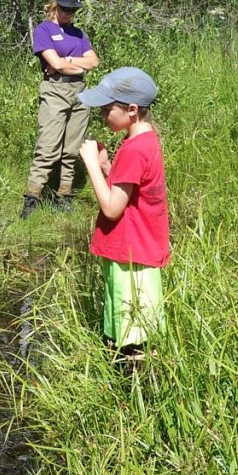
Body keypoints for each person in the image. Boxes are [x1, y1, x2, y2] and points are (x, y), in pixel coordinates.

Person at [78, 67, 169, 360]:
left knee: (129, 338)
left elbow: (112, 208)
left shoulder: (132, 150)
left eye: (107, 110)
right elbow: (131, 191)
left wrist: (91, 164)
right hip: (142, 252)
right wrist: (108, 169)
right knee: (143, 330)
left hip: (128, 254)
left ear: (131, 110)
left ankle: (127, 393)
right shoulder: (147, 141)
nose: (103, 116)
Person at [21, 0, 100, 218]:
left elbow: (94, 62)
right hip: (55, 91)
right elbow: (54, 64)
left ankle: (63, 195)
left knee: (72, 149)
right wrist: (73, 61)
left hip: (80, 93)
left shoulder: (78, 33)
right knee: (48, 147)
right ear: (55, 5)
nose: (68, 14)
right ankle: (32, 197)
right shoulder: (44, 30)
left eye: (73, 10)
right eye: (65, 9)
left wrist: (67, 60)